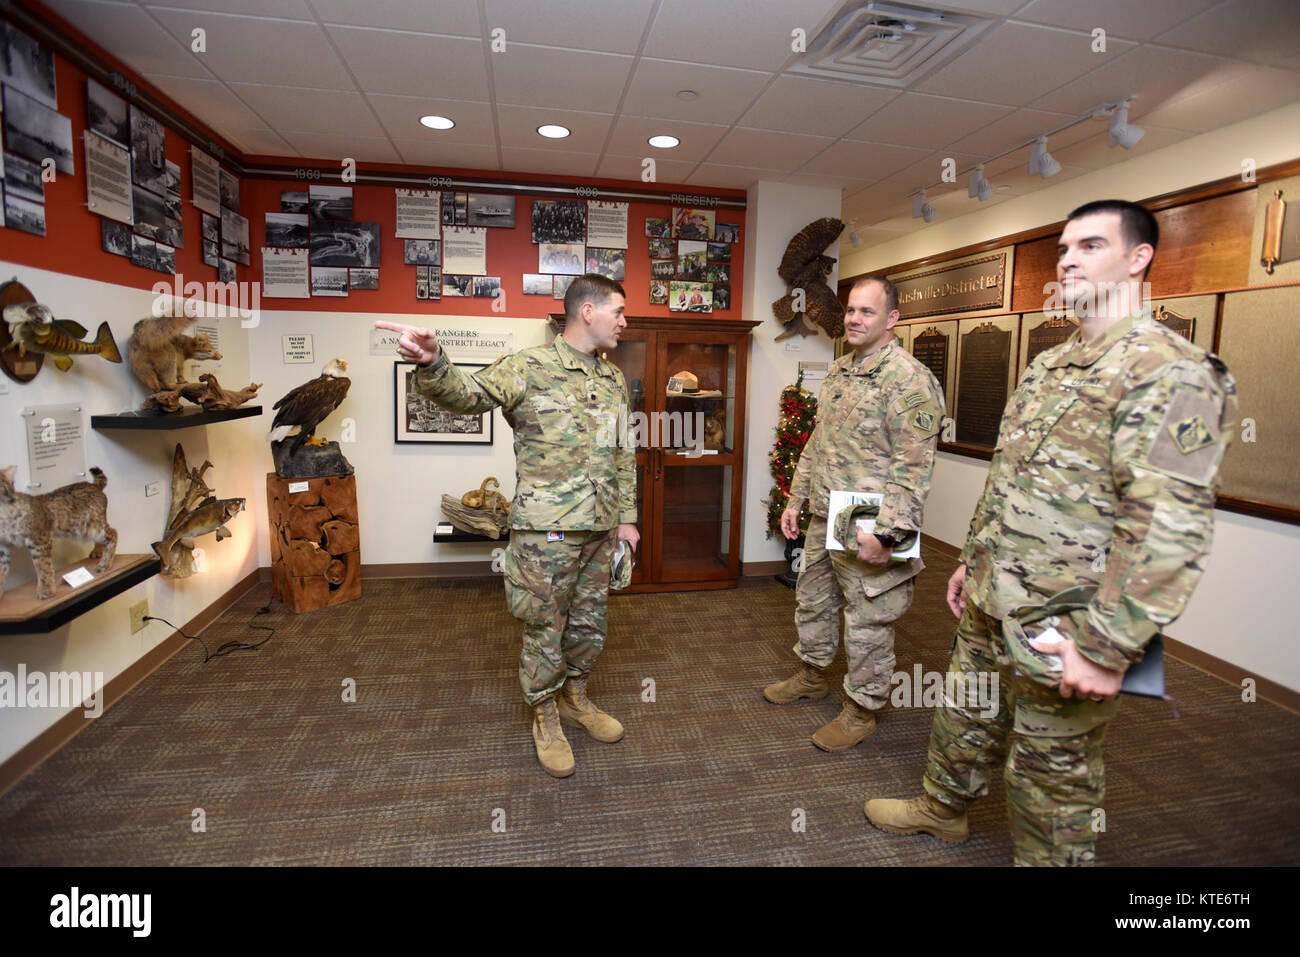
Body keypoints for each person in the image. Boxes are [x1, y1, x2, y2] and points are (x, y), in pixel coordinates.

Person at [864, 200, 1237, 865]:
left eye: (1090, 245)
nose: (1068, 260)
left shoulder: (1173, 372)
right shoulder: (1049, 366)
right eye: (1064, 248)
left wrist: (1111, 643)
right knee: (966, 711)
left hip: (1071, 614)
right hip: (992, 593)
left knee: (1051, 770)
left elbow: (1169, 527)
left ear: (1138, 257)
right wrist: (971, 560)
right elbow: (1010, 478)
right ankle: (942, 806)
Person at [375, 274, 639, 779]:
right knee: (545, 625)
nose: (624, 322)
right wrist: (433, 361)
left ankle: (576, 698)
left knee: (589, 623)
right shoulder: (529, 366)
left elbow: (624, 453)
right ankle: (544, 712)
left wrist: (626, 520)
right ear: (587, 311)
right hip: (546, 532)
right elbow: (468, 396)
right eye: (619, 311)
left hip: (600, 529)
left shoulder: (611, 380)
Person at [765, 276, 944, 752]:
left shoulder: (910, 379)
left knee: (869, 618)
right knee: (814, 600)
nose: (854, 319)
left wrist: (889, 534)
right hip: (828, 511)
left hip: (873, 518)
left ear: (892, 320)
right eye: (850, 310)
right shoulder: (842, 370)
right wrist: (796, 500)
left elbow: (915, 466)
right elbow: (817, 444)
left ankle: (863, 707)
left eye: (867, 311)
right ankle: (812, 673)